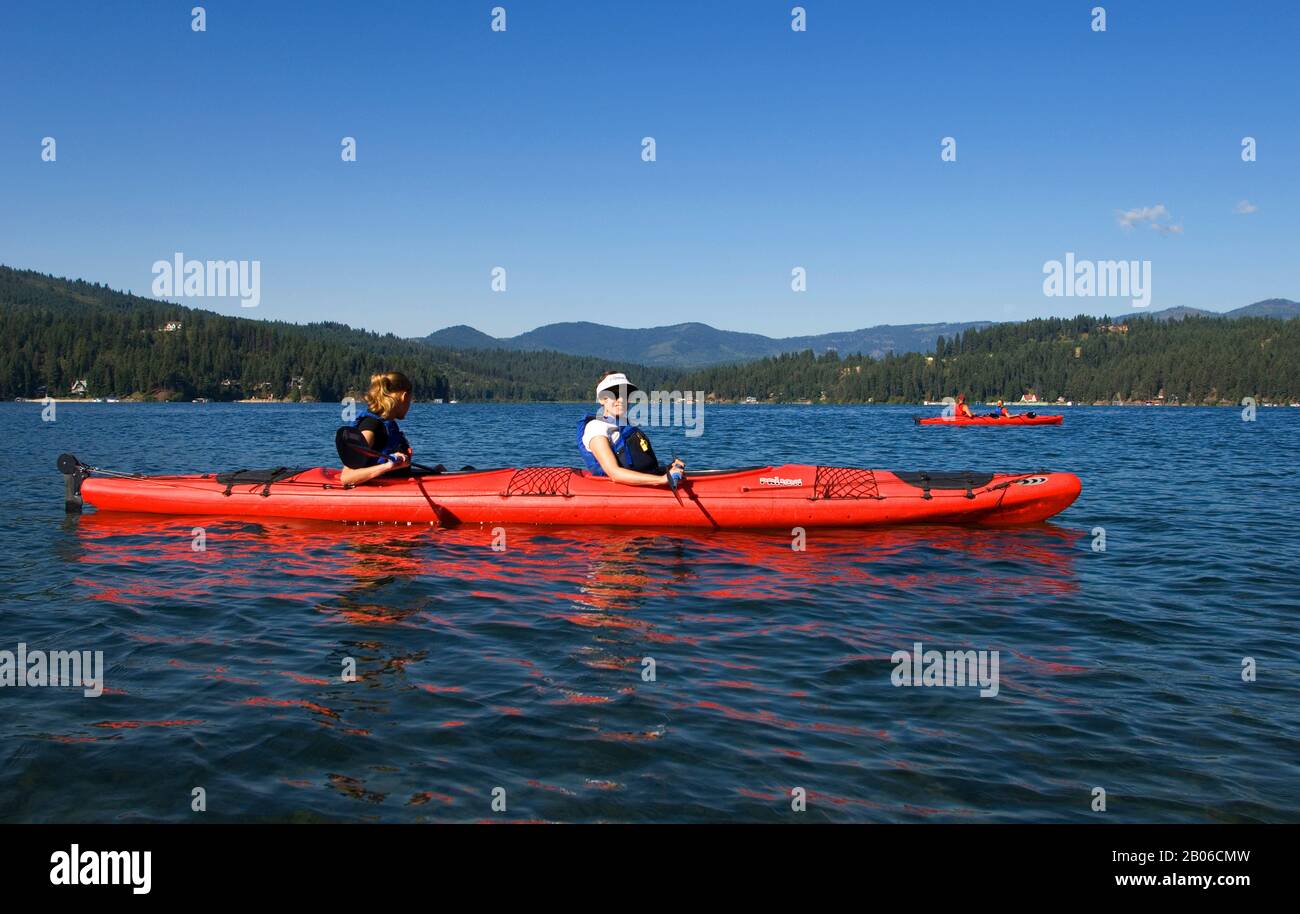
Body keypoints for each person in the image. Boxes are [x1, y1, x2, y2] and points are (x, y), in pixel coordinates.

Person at [577, 372, 685, 487]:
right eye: (615, 394)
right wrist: (662, 480)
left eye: (626, 394)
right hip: (616, 491)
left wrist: (668, 468)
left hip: (642, 484)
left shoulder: (623, 424)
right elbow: (614, 473)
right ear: (603, 399)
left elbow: (639, 467)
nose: (621, 399)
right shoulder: (596, 428)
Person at [340, 371, 415, 486]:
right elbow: (347, 476)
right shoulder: (371, 428)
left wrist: (435, 472)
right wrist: (387, 466)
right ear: (404, 397)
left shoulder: (387, 424)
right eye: (410, 401)